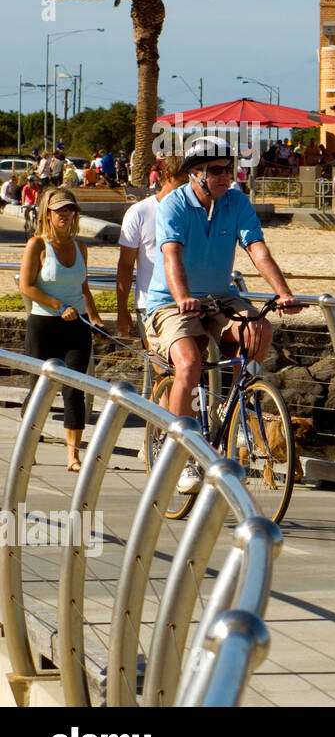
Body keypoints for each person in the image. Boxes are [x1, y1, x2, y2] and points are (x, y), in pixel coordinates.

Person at [142, 136, 302, 493]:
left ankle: (233, 411)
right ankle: (177, 451)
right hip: (171, 300)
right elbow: (171, 257)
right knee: (188, 363)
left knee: (258, 330)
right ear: (195, 175)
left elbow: (257, 250)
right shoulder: (174, 205)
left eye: (229, 169)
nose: (225, 177)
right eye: (216, 170)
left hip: (220, 295)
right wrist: (183, 297)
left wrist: (284, 292)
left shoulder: (236, 202)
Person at [18, 188, 104, 471]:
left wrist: (95, 318)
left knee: (74, 390)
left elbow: (84, 288)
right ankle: (28, 447)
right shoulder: (37, 245)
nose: (65, 214)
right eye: (59, 210)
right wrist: (58, 305)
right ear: (48, 213)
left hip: (76, 326)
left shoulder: (81, 247)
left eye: (70, 209)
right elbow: (26, 287)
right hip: (44, 325)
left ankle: (73, 456)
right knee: (39, 390)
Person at [116, 154, 186, 339]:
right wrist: (122, 312)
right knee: (158, 366)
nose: (187, 190)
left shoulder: (193, 211)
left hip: (187, 303)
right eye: (183, 183)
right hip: (150, 305)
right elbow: (125, 266)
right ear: (168, 177)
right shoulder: (139, 212)